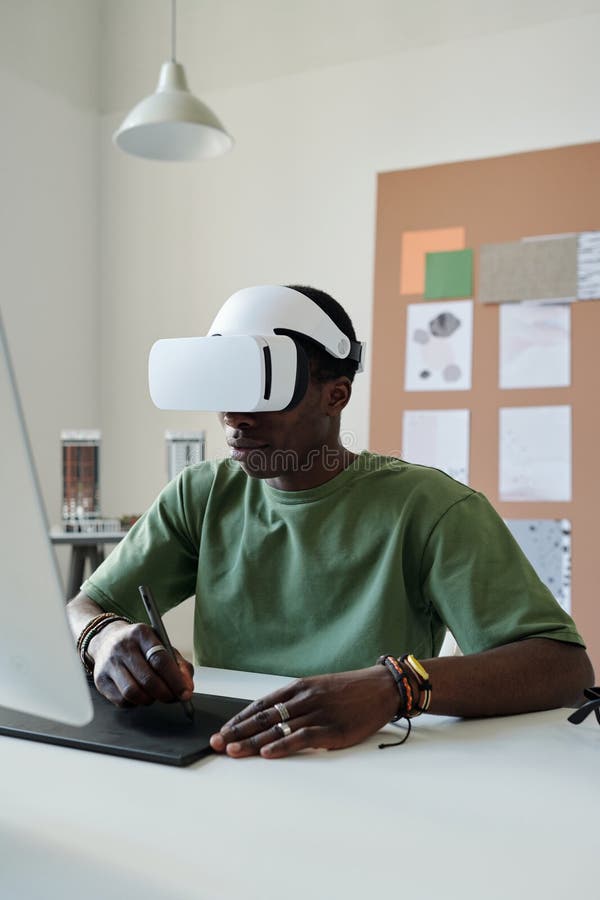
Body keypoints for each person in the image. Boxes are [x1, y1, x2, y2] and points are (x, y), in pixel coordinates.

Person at [67, 284, 594, 759]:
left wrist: (396, 686)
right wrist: (104, 637)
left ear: (336, 395)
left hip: (372, 766)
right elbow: (84, 606)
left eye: (264, 391)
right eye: (227, 386)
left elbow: (562, 668)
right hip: (228, 758)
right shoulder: (202, 496)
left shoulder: (430, 508)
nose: (234, 417)